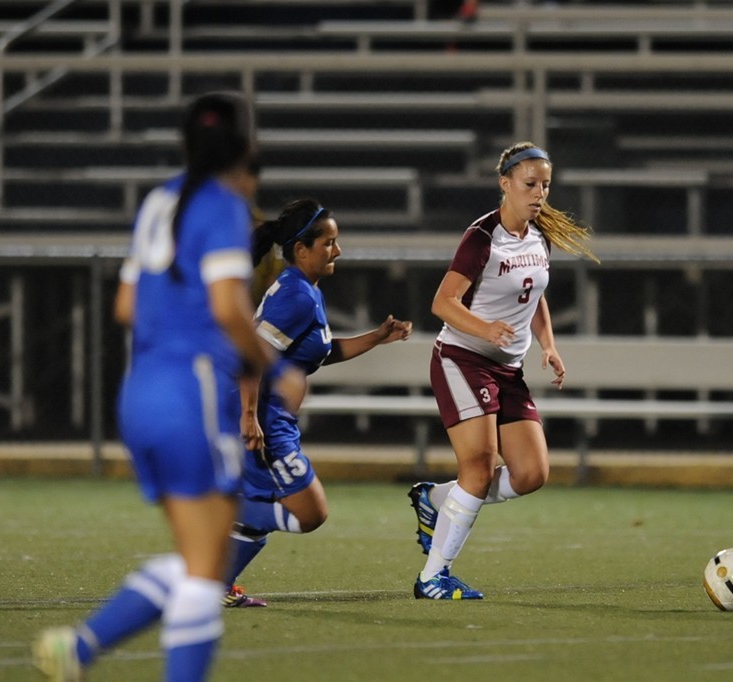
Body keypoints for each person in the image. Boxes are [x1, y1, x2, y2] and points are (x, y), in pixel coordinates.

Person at [32, 92, 306, 681]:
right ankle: (85, 648)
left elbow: (127, 303)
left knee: (198, 561)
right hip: (193, 394)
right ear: (248, 145)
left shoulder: (161, 200)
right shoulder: (223, 205)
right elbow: (230, 310)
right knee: (205, 573)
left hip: (141, 393)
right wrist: (278, 370)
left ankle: (79, 650)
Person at [408, 141, 599, 600]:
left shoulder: (539, 235)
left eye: (546, 185)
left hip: (506, 370)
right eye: (530, 184)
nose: (539, 193)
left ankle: (434, 499)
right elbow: (442, 302)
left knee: (531, 473)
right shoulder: (481, 237)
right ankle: (432, 577)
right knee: (479, 465)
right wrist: (484, 328)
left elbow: (534, 294)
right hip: (462, 360)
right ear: (505, 184)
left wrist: (548, 345)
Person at [222, 197, 414, 607]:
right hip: (266, 419)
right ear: (301, 249)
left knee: (266, 513)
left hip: (270, 417)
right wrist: (250, 416)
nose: (337, 251)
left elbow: (324, 352)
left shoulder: (305, 290)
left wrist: (377, 336)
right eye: (328, 243)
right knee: (310, 513)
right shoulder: (297, 295)